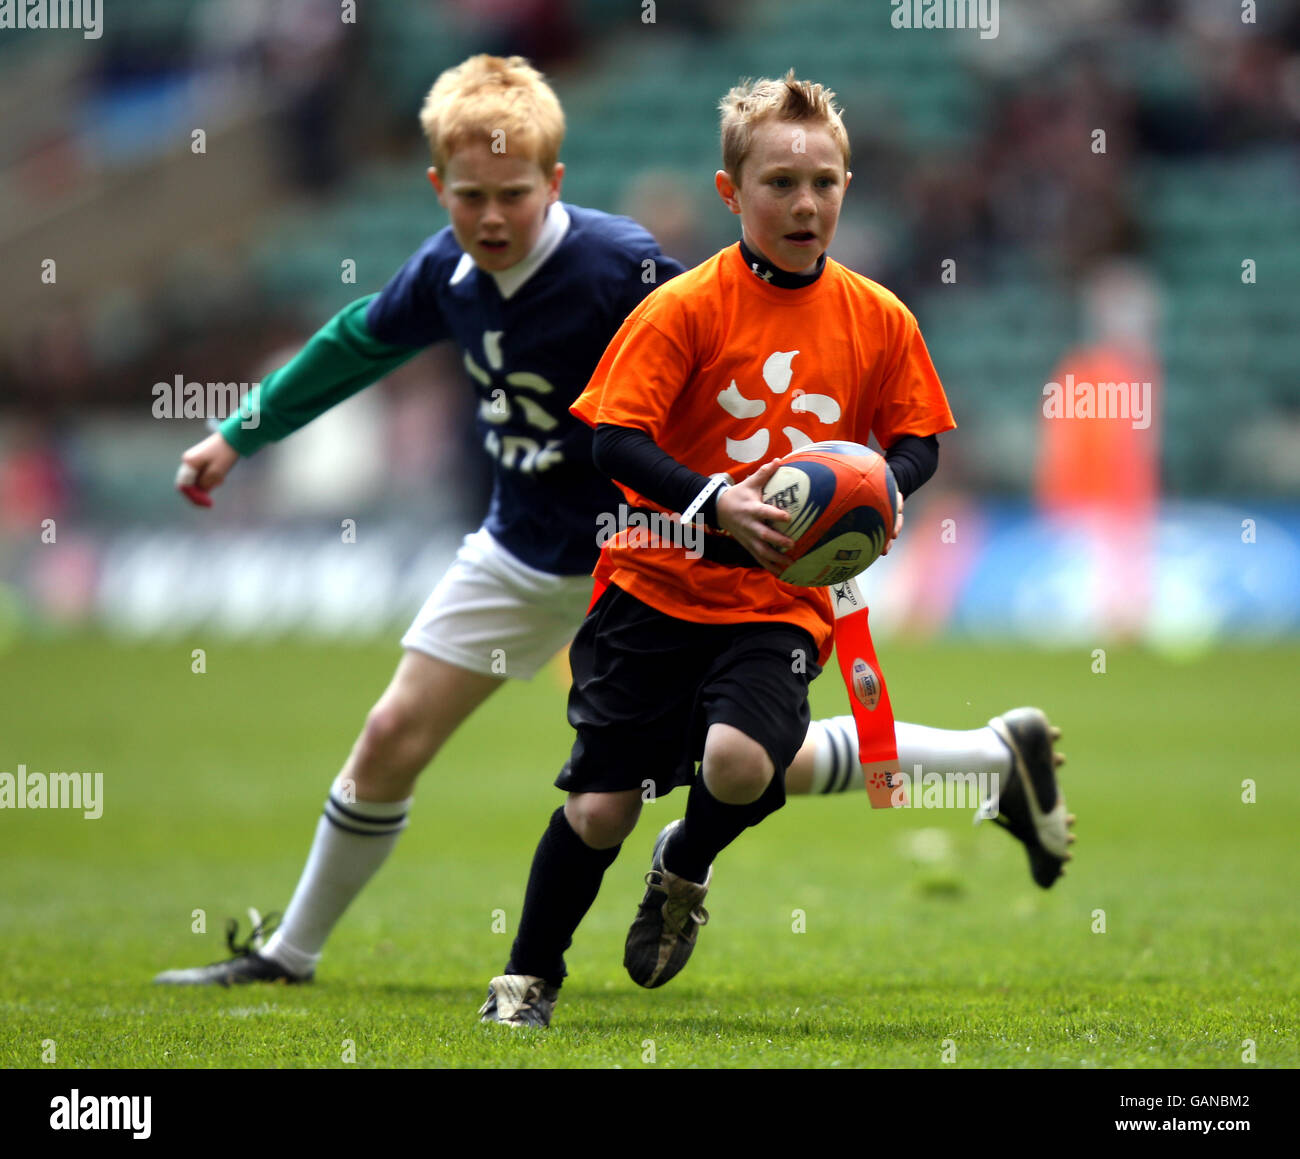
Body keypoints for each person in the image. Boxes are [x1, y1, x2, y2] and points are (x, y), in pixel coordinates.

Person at [156, 57, 1071, 990]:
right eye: (470, 197)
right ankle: (289, 953)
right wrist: (240, 432)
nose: (492, 218)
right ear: (439, 191)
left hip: (654, 554)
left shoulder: (620, 267)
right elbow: (358, 340)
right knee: (395, 733)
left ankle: (987, 762)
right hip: (523, 549)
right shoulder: (446, 272)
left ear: (554, 182)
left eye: (513, 194)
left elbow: (738, 337)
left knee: (737, 761)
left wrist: (792, 493)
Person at [478, 72, 1073, 1029]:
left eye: (826, 183)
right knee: (598, 812)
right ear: (731, 193)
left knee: (743, 762)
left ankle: (685, 867)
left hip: (776, 599)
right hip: (655, 582)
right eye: (780, 183)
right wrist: (716, 502)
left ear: (847, 185)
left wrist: (885, 490)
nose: (805, 203)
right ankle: (526, 978)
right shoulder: (685, 306)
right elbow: (615, 439)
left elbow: (919, 440)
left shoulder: (879, 315)